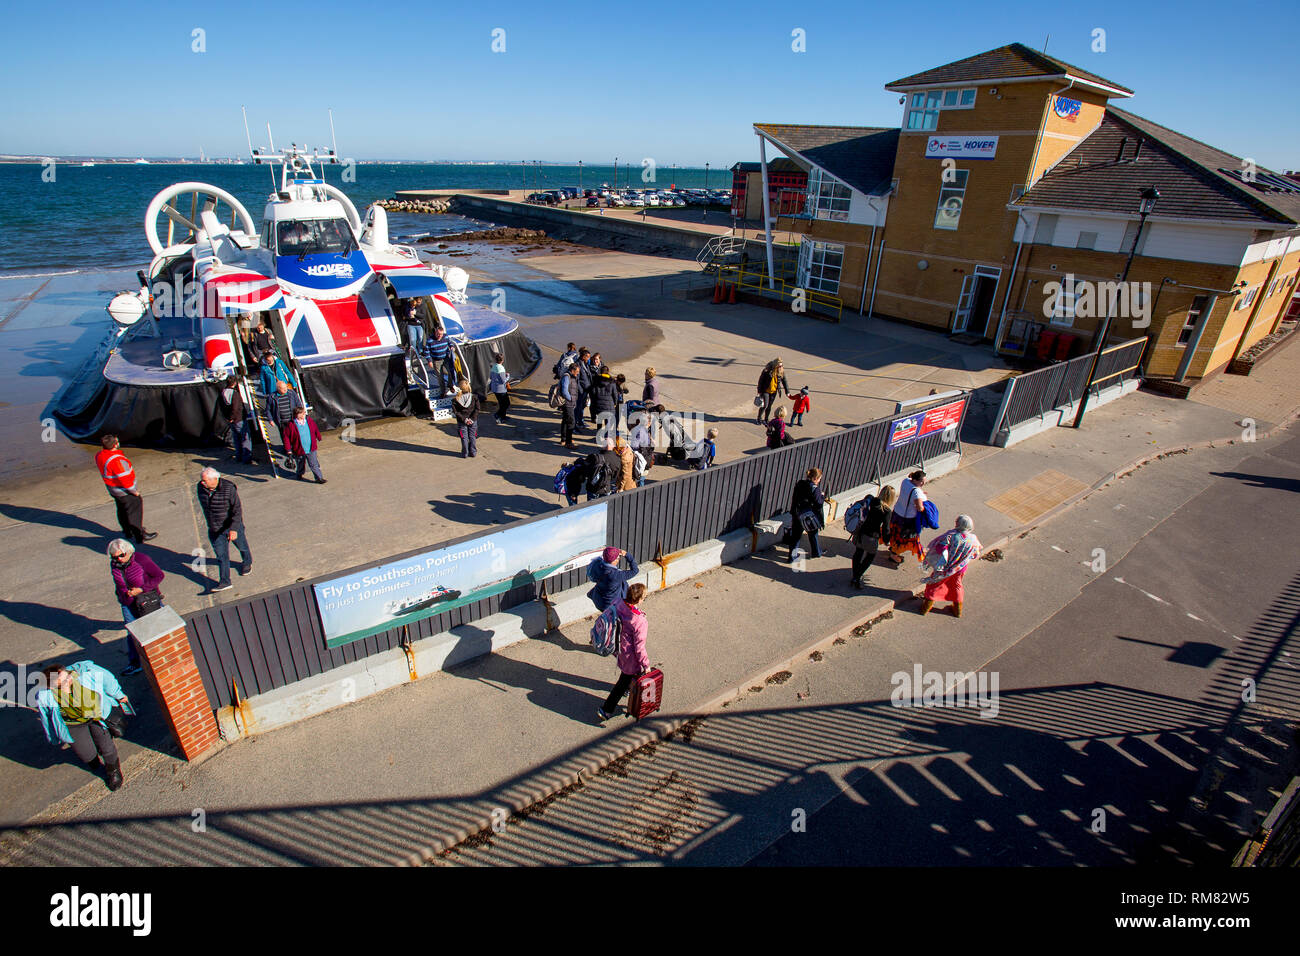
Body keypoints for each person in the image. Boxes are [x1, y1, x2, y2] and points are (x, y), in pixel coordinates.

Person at [37, 661, 134, 791]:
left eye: (68, 675)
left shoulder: (86, 673)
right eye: (65, 680)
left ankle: (114, 771)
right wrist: (54, 736)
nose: (70, 678)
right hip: (73, 724)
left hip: (95, 716)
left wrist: (119, 695)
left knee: (107, 747)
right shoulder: (45, 696)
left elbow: (107, 680)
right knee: (87, 755)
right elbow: (46, 718)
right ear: (53, 686)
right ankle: (94, 759)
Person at [108, 539, 164, 675]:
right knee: (132, 632)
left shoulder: (142, 559)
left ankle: (162, 656)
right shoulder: (114, 564)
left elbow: (159, 576)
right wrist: (121, 595)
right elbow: (118, 583)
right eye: (115, 557)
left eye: (122, 555)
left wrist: (141, 589)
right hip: (128, 602)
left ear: (129, 551)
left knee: (159, 627)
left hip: (147, 600)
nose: (119, 559)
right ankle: (135, 663)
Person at [596, 582, 649, 723]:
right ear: (639, 600)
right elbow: (639, 647)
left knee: (626, 677)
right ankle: (606, 709)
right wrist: (646, 665)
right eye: (644, 597)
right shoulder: (639, 620)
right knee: (624, 680)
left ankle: (626, 690)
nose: (644, 599)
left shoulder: (619, 602)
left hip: (619, 647)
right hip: (630, 655)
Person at [196, 467, 251, 593]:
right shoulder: (200, 488)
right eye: (202, 480)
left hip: (231, 527)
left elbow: (237, 510)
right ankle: (225, 581)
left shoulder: (229, 488)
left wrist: (233, 529)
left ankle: (247, 562)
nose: (202, 483)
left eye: (205, 481)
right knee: (222, 556)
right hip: (215, 529)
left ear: (215, 479)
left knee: (242, 546)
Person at [95, 435, 156, 545]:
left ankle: (127, 531)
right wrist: (134, 492)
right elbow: (125, 480)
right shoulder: (117, 460)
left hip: (114, 490)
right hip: (124, 492)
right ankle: (140, 535)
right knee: (134, 513)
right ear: (115, 445)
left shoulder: (100, 455)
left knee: (122, 510)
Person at [920, 515, 982, 617]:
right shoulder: (973, 539)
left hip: (945, 567)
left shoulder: (951, 536)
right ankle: (957, 610)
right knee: (956, 586)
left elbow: (940, 548)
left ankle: (925, 608)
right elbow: (975, 554)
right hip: (960, 569)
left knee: (935, 585)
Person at [848, 485, 896, 589]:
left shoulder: (871, 501)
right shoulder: (887, 511)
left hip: (861, 532)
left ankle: (854, 575)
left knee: (858, 553)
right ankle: (857, 576)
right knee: (869, 557)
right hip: (872, 537)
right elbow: (886, 529)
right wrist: (887, 540)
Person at [887, 469, 929, 566]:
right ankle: (894, 555)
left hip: (897, 512)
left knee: (895, 533)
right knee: (904, 538)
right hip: (907, 519)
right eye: (921, 481)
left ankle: (893, 549)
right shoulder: (916, 492)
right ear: (915, 480)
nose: (923, 483)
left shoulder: (905, 481)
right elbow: (920, 508)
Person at [784, 467, 826, 561]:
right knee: (813, 534)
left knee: (796, 536)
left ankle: (792, 557)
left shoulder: (800, 483)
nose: (819, 481)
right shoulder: (815, 489)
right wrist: (822, 496)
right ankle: (817, 553)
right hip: (809, 516)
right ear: (815, 478)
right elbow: (818, 503)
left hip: (797, 513)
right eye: (819, 479)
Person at [586, 546, 640, 612]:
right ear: (614, 561)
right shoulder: (615, 575)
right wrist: (627, 555)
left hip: (600, 600)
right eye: (618, 558)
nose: (619, 559)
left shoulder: (598, 566)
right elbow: (635, 570)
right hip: (611, 605)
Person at [283, 406, 326, 482]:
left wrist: (318, 436)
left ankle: (319, 478)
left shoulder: (309, 421)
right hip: (299, 449)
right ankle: (299, 474)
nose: (304, 414)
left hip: (311, 448)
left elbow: (315, 428)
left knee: (314, 464)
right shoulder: (291, 425)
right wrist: (288, 450)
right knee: (300, 464)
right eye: (302, 413)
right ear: (297, 414)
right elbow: (286, 438)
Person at [217, 375, 253, 464]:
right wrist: (233, 417)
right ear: (235, 383)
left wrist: (228, 418)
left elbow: (221, 406)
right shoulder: (234, 394)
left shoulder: (223, 392)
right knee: (245, 439)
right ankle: (246, 458)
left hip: (230, 420)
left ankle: (239, 456)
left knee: (236, 439)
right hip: (238, 419)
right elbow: (236, 407)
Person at [268, 379, 305, 462]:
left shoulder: (291, 393)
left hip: (293, 420)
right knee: (285, 437)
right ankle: (288, 450)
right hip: (282, 421)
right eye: (283, 388)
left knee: (296, 435)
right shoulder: (272, 397)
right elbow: (268, 410)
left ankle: (297, 450)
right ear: (278, 389)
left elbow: (298, 404)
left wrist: (301, 414)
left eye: (286, 387)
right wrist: (270, 420)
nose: (286, 389)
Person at [451, 378, 481, 458]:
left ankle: (465, 453)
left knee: (463, 437)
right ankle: (473, 452)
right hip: (473, 421)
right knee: (472, 436)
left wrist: (464, 419)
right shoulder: (474, 397)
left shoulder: (455, 400)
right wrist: (471, 419)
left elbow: (456, 412)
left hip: (462, 421)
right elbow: (477, 409)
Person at [422, 324, 453, 396]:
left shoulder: (446, 337)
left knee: (450, 372)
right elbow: (427, 352)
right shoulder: (430, 340)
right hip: (436, 360)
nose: (439, 336)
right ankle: (443, 391)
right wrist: (429, 361)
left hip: (445, 358)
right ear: (435, 333)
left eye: (441, 334)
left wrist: (451, 347)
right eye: (438, 334)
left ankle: (450, 385)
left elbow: (450, 343)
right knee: (440, 376)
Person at [755, 358, 788, 424]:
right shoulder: (767, 371)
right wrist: (759, 390)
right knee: (765, 406)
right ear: (775, 365)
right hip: (766, 391)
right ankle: (759, 418)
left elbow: (784, 381)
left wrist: (787, 391)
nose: (781, 367)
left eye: (781, 366)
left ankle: (766, 419)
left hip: (773, 391)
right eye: (779, 366)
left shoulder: (781, 371)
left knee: (769, 406)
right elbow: (761, 381)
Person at [559, 361, 580, 449]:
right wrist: (571, 399)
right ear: (572, 370)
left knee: (565, 421)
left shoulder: (572, 377)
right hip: (568, 403)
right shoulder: (567, 377)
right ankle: (568, 442)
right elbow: (564, 391)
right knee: (571, 422)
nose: (578, 373)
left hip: (570, 403)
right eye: (577, 371)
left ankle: (563, 439)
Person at [488, 351, 512, 423]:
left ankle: (503, 416)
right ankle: (498, 416)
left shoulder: (493, 367)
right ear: (502, 360)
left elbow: (491, 377)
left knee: (502, 404)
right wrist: (508, 376)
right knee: (506, 403)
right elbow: (503, 381)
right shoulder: (501, 368)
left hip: (494, 389)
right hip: (501, 390)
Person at [574, 348, 594, 428]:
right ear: (583, 357)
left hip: (586, 389)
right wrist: (580, 389)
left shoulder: (585, 364)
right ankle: (576, 423)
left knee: (582, 406)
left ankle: (580, 421)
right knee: (578, 407)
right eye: (588, 357)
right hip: (581, 390)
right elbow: (577, 379)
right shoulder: (578, 364)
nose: (589, 359)